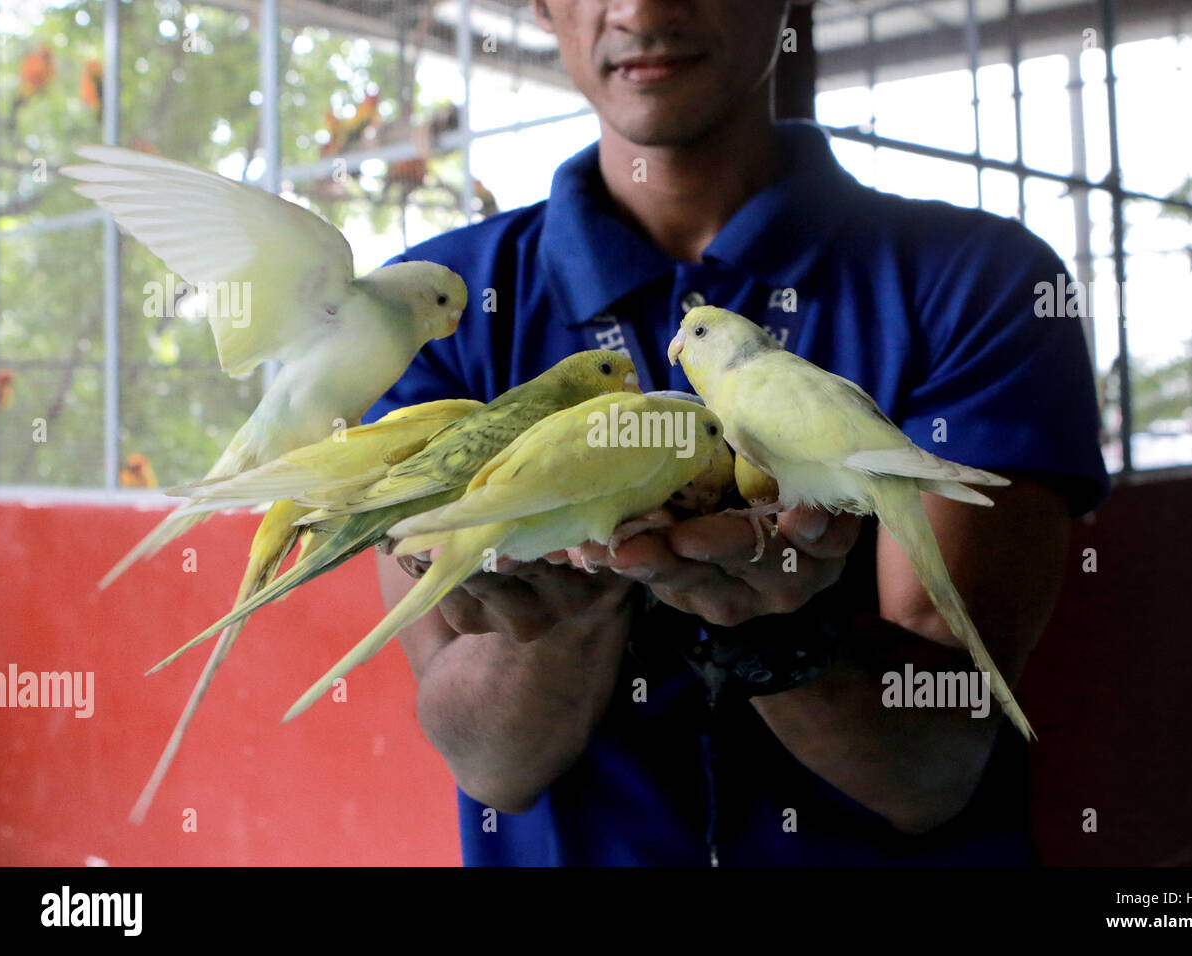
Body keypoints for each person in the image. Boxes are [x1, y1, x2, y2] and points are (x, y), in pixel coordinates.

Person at [366, 0, 1108, 865]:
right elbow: (487, 762)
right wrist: (576, 604)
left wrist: (781, 630)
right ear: (541, 7)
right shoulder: (440, 304)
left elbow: (934, 771)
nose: (641, 10)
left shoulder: (978, 284)